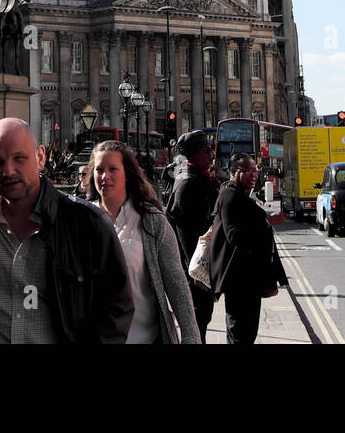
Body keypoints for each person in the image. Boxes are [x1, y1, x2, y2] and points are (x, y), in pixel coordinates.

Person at [0, 118, 133, 343]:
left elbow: (117, 308)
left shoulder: (86, 223)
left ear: (40, 157)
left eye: (19, 159)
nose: (8, 170)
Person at [88, 141, 200, 344]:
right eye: (99, 170)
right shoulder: (82, 219)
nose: (105, 176)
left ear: (128, 174)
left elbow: (176, 283)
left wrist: (191, 335)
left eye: (113, 169)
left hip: (145, 338)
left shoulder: (151, 220)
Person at [209, 153, 287, 345]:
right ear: (234, 172)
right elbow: (235, 235)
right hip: (239, 280)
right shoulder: (230, 196)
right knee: (241, 334)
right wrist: (267, 221)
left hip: (248, 279)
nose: (253, 175)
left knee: (246, 333)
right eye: (247, 171)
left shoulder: (240, 195)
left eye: (255, 170)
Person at [167, 131, 221, 341]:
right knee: (197, 326)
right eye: (206, 150)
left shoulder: (195, 177)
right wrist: (195, 275)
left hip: (199, 271)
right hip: (195, 274)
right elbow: (187, 234)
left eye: (211, 149)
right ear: (193, 155)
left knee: (201, 324)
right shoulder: (190, 184)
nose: (211, 154)